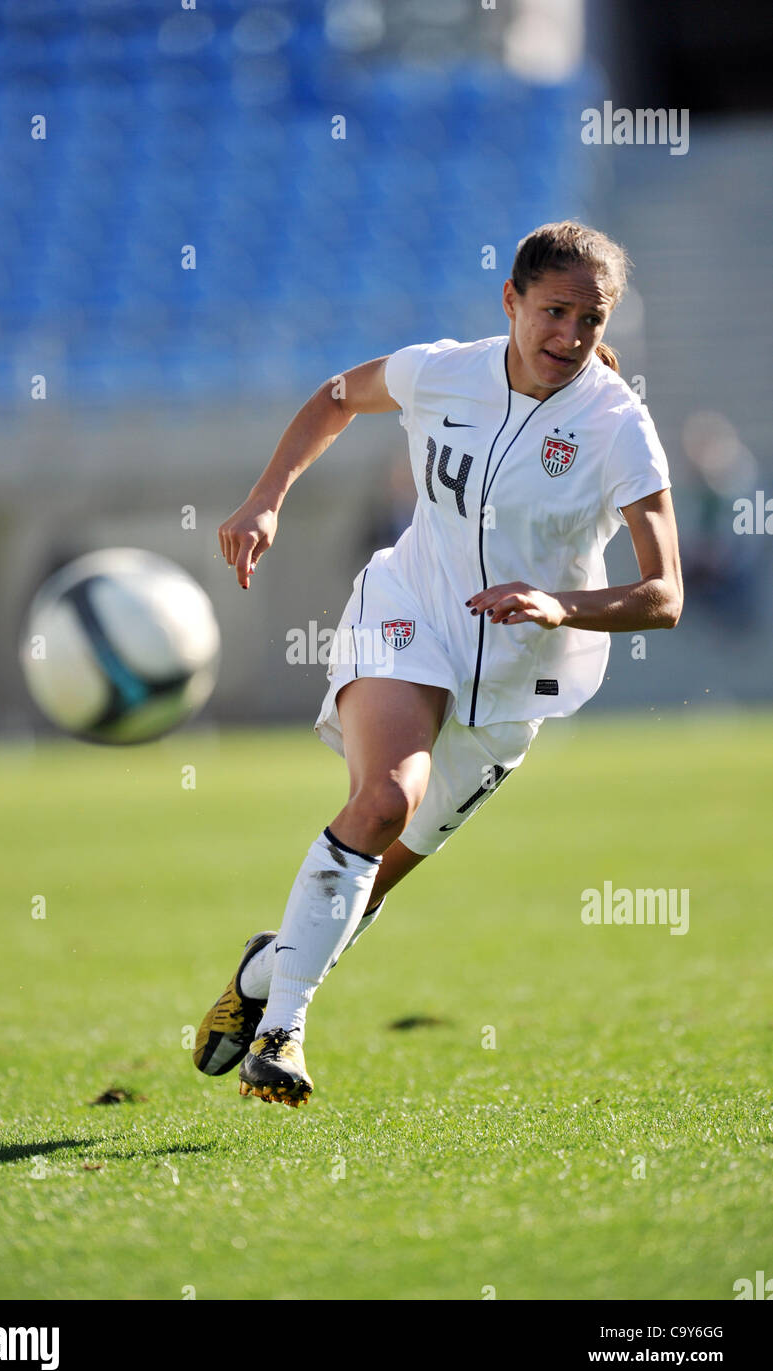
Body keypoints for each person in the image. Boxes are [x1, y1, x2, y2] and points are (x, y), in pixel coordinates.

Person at [193, 221, 683, 1107]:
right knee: (383, 800)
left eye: (590, 319)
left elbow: (665, 594)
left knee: (375, 872)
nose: (569, 337)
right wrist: (266, 499)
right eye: (553, 312)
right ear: (510, 301)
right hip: (411, 614)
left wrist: (559, 604)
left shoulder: (618, 429)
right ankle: (283, 1033)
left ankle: (268, 969)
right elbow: (336, 397)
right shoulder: (439, 369)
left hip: (517, 681)